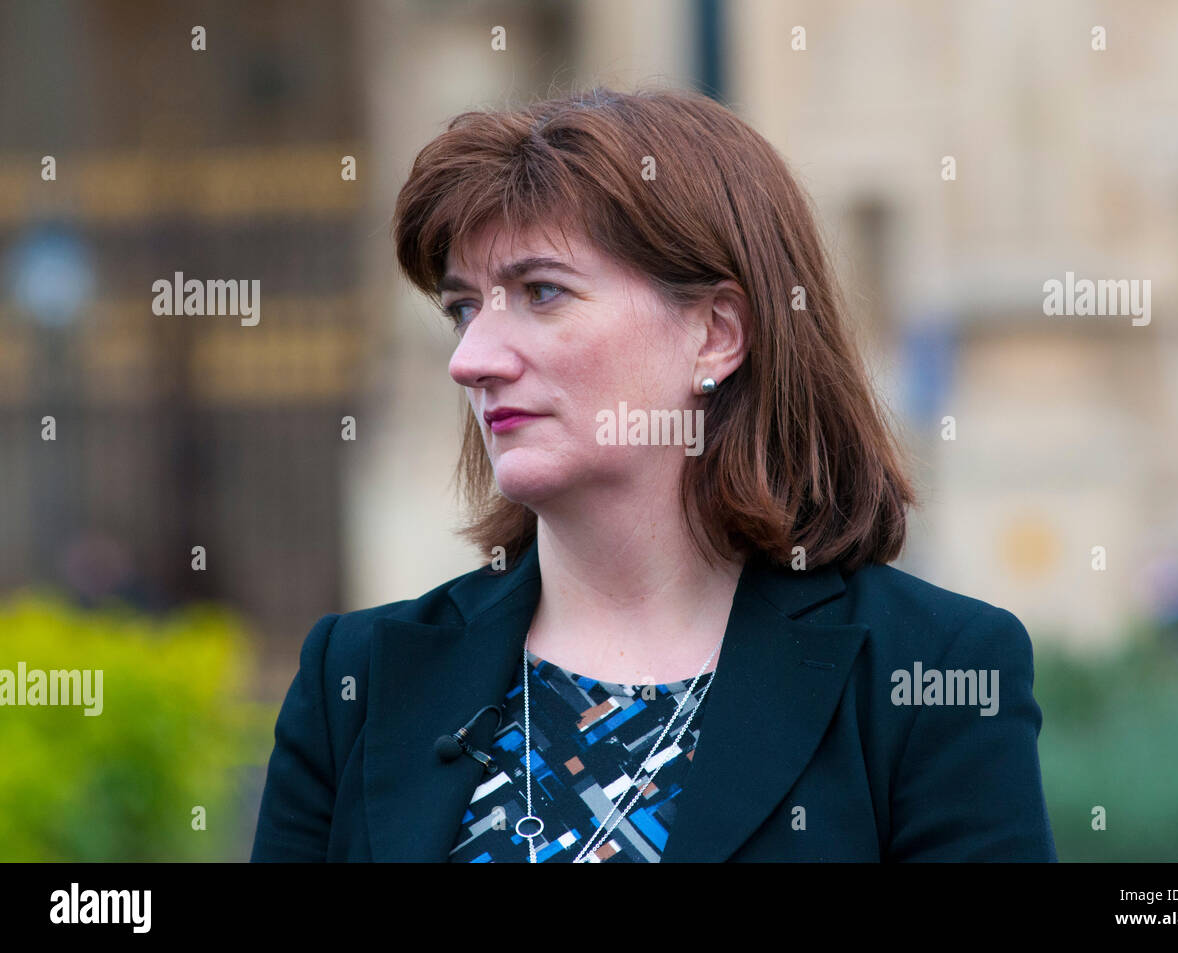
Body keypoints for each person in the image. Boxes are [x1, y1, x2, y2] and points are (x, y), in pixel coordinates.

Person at [250, 85, 1057, 863]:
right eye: (464, 307)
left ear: (715, 334)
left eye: (541, 291)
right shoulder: (356, 676)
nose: (471, 359)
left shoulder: (931, 672)